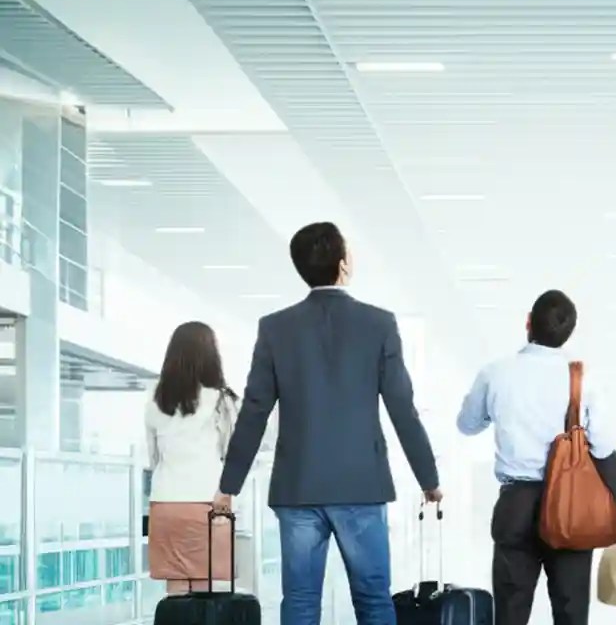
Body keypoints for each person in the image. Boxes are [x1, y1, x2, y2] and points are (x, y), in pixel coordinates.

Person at [215, 222, 442, 625]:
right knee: (373, 600)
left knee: (300, 602)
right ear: (343, 263)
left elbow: (254, 410)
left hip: (297, 485)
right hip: (361, 484)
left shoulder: (275, 328)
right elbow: (401, 408)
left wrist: (228, 486)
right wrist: (429, 478)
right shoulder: (379, 324)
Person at [457, 290, 616, 625]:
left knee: (511, 612)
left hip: (516, 502)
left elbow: (467, 425)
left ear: (528, 322)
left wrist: (493, 413)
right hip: (571, 504)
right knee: (571, 611)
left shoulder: (495, 373)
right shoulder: (582, 380)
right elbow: (603, 447)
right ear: (568, 332)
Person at [146, 322, 239, 594]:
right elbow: (233, 452)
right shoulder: (222, 400)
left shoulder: (155, 398)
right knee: (204, 587)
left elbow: (153, 456)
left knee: (175, 586)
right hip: (208, 500)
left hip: (165, 501)